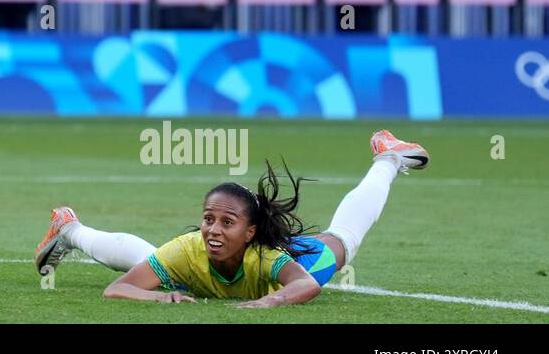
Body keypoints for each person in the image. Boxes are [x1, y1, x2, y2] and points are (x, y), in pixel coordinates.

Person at [34, 130, 430, 306]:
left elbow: (306, 285)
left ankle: (387, 157)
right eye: (208, 218)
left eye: (227, 222)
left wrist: (271, 301)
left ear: (250, 231)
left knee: (343, 240)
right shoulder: (188, 248)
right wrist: (160, 296)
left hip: (296, 261)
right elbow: (117, 289)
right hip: (204, 269)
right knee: (152, 261)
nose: (212, 229)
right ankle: (68, 228)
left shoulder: (267, 257)